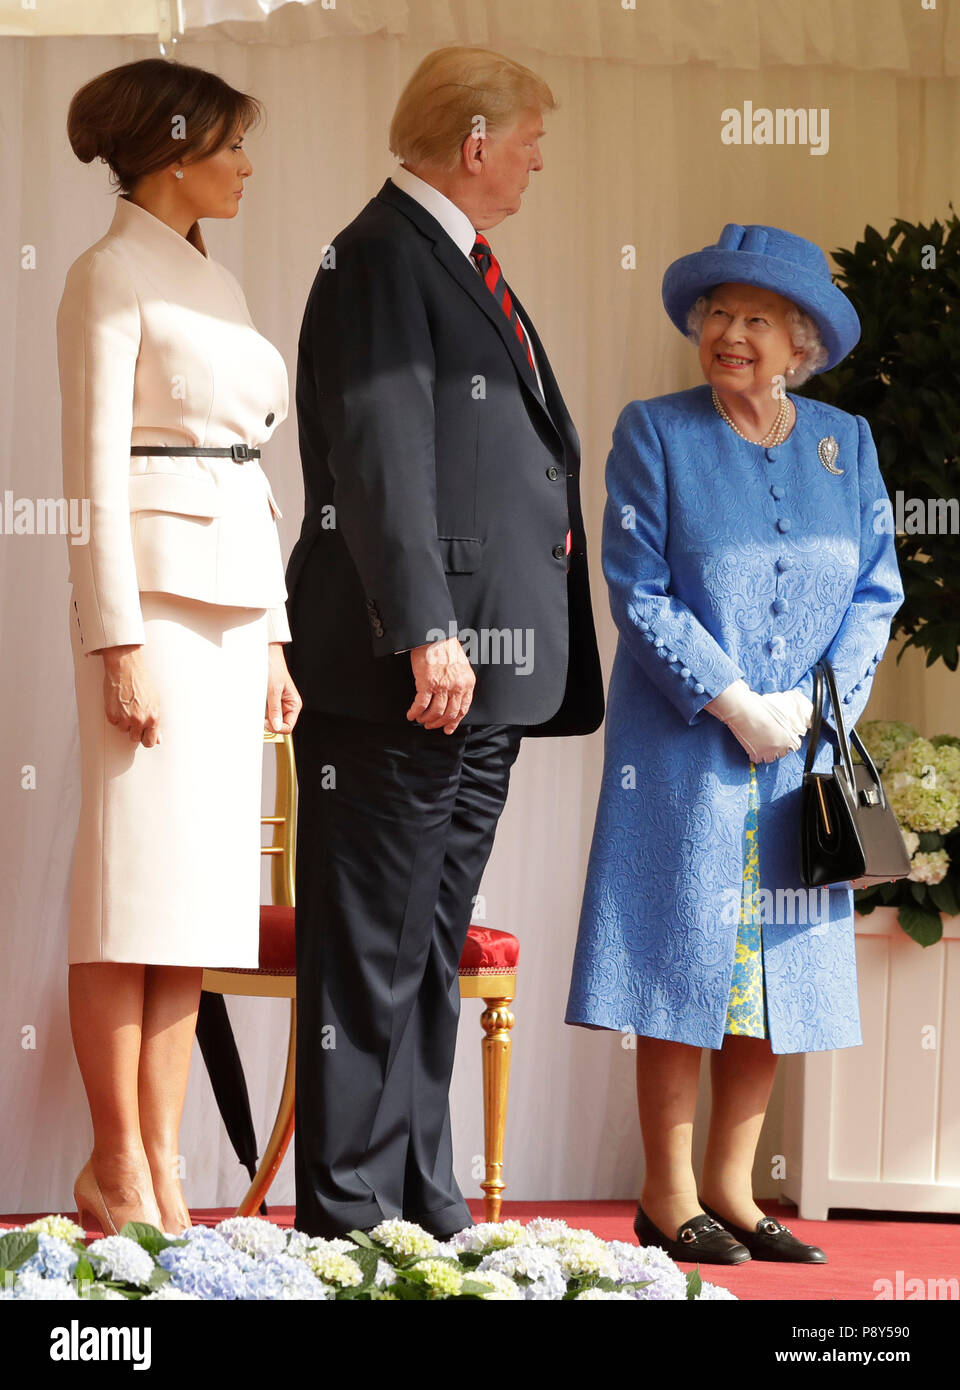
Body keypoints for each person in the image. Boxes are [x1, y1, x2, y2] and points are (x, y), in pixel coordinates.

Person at [285, 45, 604, 1239]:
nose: (534, 163)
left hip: (489, 678)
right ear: (475, 141)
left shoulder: (451, 257)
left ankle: (418, 1203)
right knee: (371, 953)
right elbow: (379, 459)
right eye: (527, 142)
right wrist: (427, 627)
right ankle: (350, 1221)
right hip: (408, 671)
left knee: (426, 948)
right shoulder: (377, 257)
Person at [565, 223, 904, 1264]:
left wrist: (813, 704)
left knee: (775, 971)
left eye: (756, 318)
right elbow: (639, 589)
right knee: (679, 961)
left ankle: (734, 1186)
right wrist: (732, 700)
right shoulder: (655, 432)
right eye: (718, 313)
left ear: (799, 343)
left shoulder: (845, 441)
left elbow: (876, 590)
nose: (730, 333)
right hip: (683, 747)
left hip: (800, 757)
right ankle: (667, 1193)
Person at [58, 58, 301, 1237]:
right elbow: (91, 476)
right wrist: (115, 641)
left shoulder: (219, 283)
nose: (248, 164)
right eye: (232, 144)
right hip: (149, 614)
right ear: (172, 151)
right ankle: (117, 1162)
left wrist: (275, 642)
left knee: (193, 908)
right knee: (125, 898)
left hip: (232, 614)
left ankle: (160, 1160)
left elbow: (248, 473)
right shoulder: (108, 275)